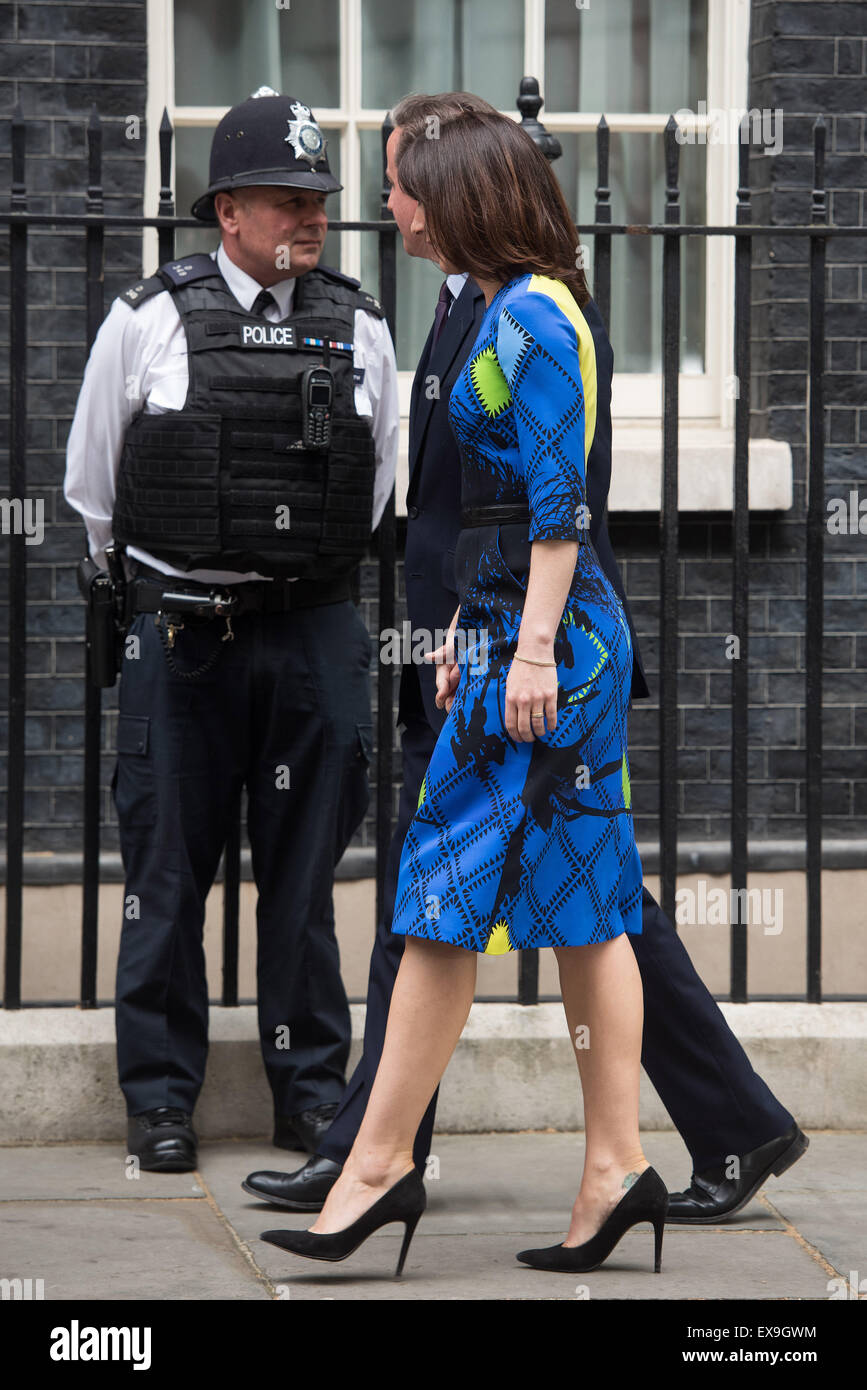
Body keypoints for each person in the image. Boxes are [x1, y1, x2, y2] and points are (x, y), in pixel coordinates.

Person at [245, 91, 808, 1242]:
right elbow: (490, 501)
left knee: (447, 891)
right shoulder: (506, 308)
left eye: (404, 187)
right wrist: (470, 621)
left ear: (462, 194)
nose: (388, 210)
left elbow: (557, 507)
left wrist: (531, 645)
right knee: (591, 910)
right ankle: (610, 1171)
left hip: (550, 651)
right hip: (507, 636)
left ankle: (379, 1160)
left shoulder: (536, 319)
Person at [64, 89, 398, 1173]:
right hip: (184, 639)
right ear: (228, 211)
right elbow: (93, 492)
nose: (312, 214)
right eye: (287, 197)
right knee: (166, 877)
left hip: (314, 634)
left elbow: (381, 487)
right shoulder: (148, 320)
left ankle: (311, 1097)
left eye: (320, 197)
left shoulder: (362, 326)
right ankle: (161, 1101)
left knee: (306, 886)